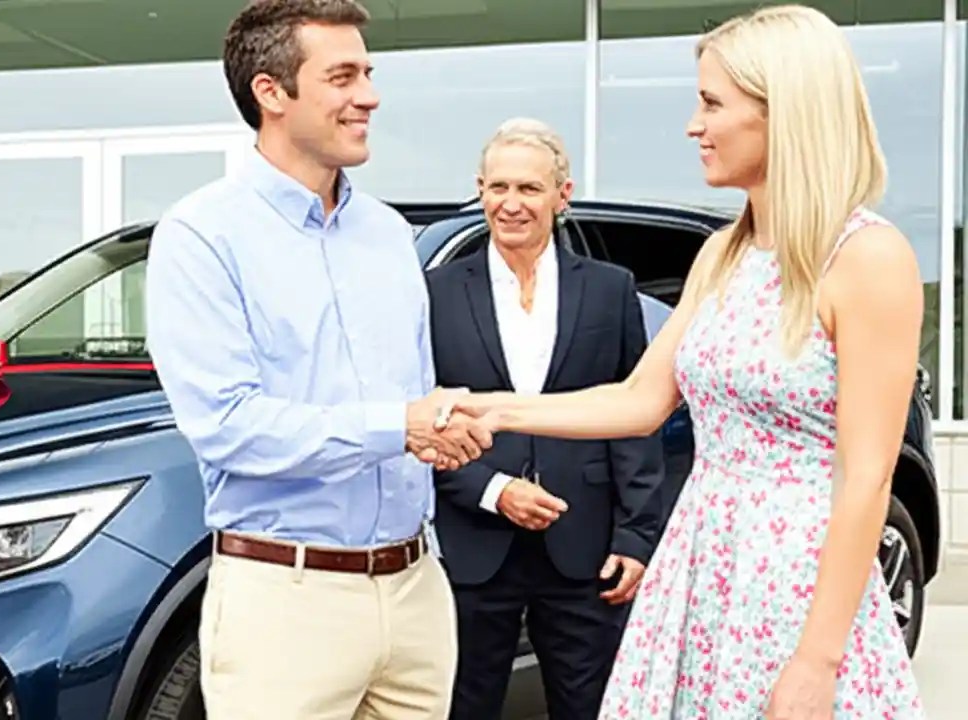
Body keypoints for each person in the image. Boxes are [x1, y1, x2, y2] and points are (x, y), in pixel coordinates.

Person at [441, 5, 926, 718]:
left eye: (710, 103)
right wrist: (492, 409)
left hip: (796, 586)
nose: (693, 126)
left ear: (782, 110)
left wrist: (818, 660)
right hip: (702, 567)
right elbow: (639, 400)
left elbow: (868, 477)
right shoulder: (725, 251)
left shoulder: (868, 257)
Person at [143, 1, 493, 718]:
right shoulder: (201, 235)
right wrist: (401, 425)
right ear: (271, 93)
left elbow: (414, 400)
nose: (369, 94)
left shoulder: (390, 234)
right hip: (286, 603)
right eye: (342, 75)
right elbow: (228, 426)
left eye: (367, 72)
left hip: (415, 588)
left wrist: (442, 430)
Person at [426, 118, 667, 720]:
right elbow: (421, 418)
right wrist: (492, 489)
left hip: (585, 550)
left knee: (591, 708)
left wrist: (637, 538)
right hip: (471, 542)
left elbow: (634, 419)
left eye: (529, 190)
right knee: (461, 707)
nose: (511, 205)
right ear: (480, 189)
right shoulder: (432, 293)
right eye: (498, 188)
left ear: (563, 195)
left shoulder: (611, 290)